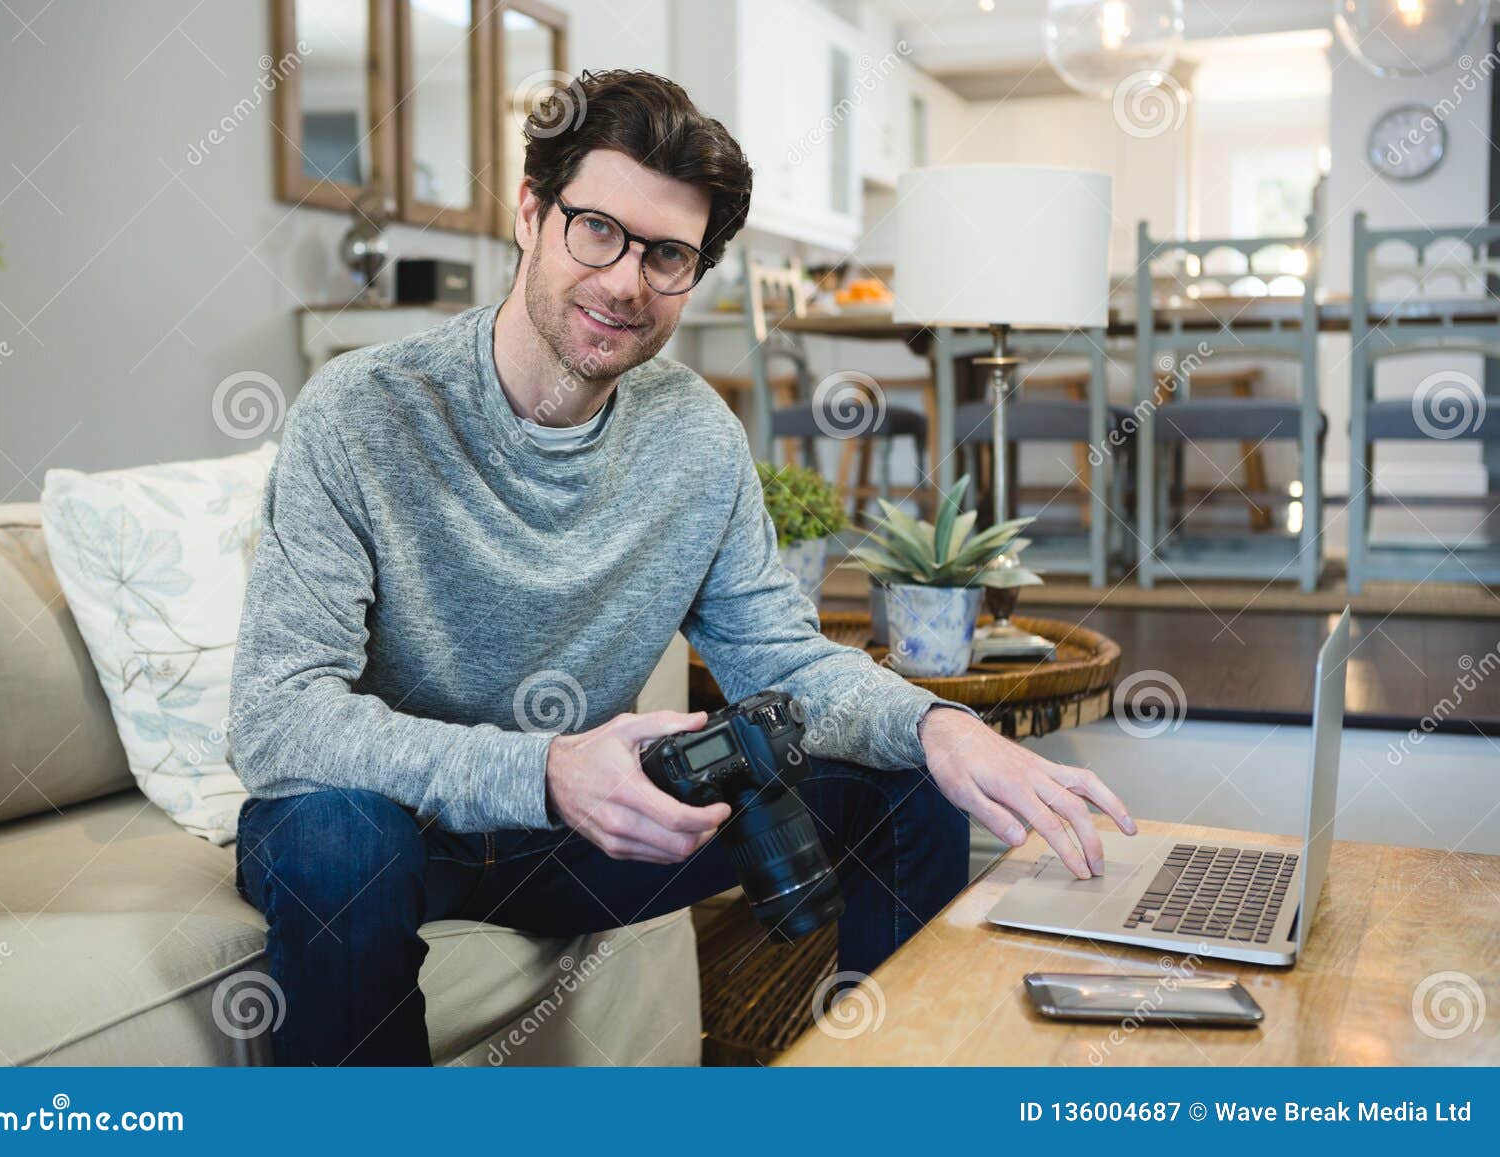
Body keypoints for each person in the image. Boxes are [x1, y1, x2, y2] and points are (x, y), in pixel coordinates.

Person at [228, 68, 1135, 1066]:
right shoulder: (362, 410)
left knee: (904, 776)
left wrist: (939, 723)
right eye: (598, 231)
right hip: (395, 820)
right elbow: (276, 715)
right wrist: (543, 768)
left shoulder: (694, 434)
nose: (626, 280)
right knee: (335, 838)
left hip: (578, 829)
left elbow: (780, 662)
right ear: (531, 214)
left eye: (667, 255)